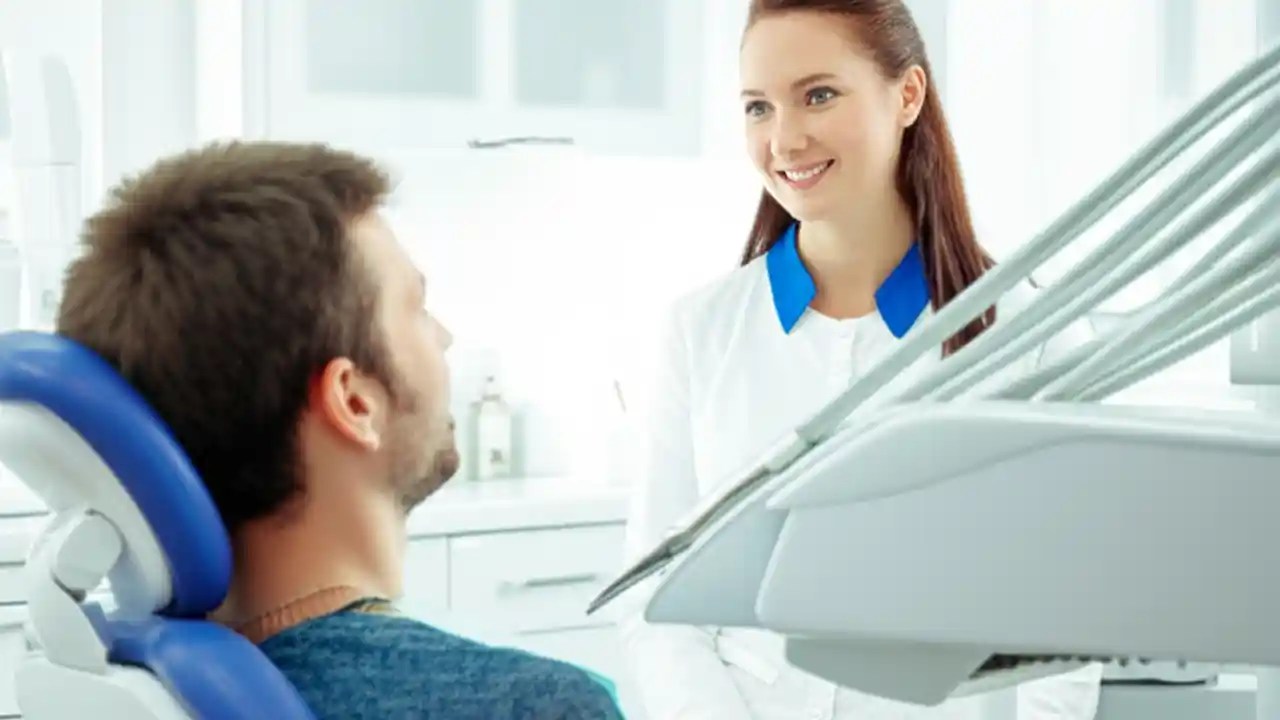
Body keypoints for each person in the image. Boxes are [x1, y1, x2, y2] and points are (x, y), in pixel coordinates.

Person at [620, 1, 1102, 718]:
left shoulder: (1030, 335)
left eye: (818, 95)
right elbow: (651, 599)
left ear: (907, 95)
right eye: (758, 107)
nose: (784, 139)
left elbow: (1065, 614)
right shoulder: (699, 333)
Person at [55, 141, 624, 719]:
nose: (445, 338)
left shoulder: (130, 682)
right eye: (417, 309)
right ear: (354, 401)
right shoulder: (536, 707)